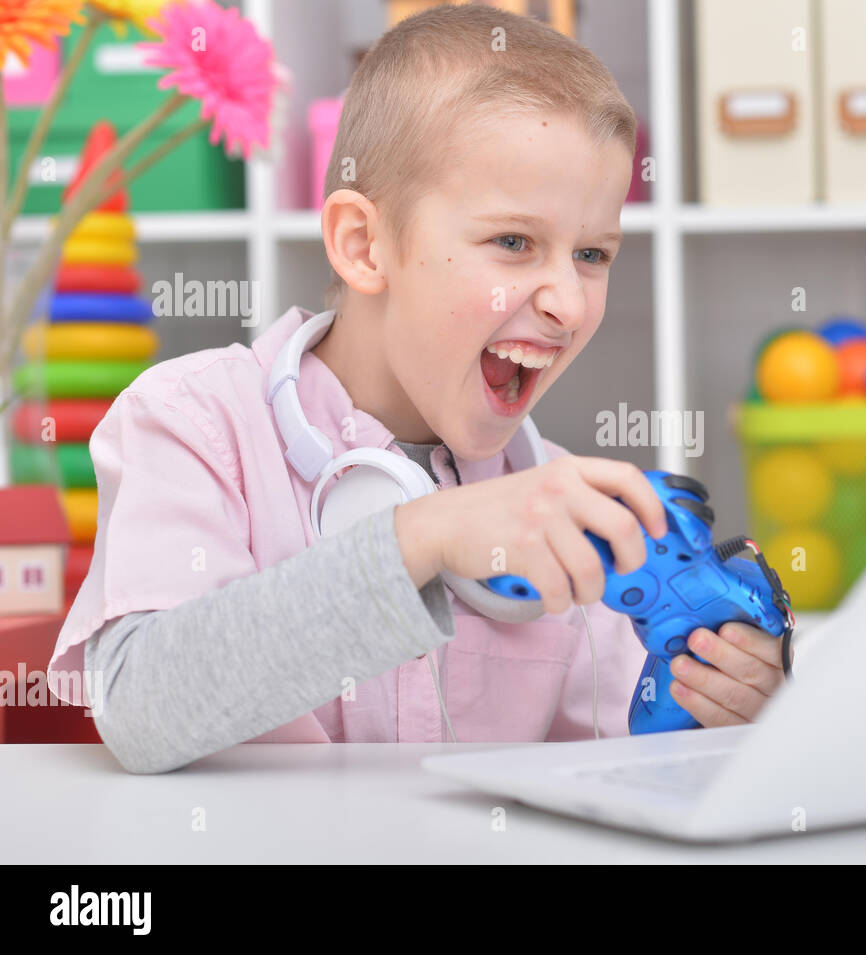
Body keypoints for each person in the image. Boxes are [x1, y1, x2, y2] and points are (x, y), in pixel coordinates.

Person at [48, 4, 786, 774]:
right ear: (364, 247)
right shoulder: (194, 423)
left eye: (594, 253)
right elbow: (143, 707)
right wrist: (423, 537)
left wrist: (732, 705)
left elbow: (617, 770)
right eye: (513, 242)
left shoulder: (553, 507)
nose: (569, 301)